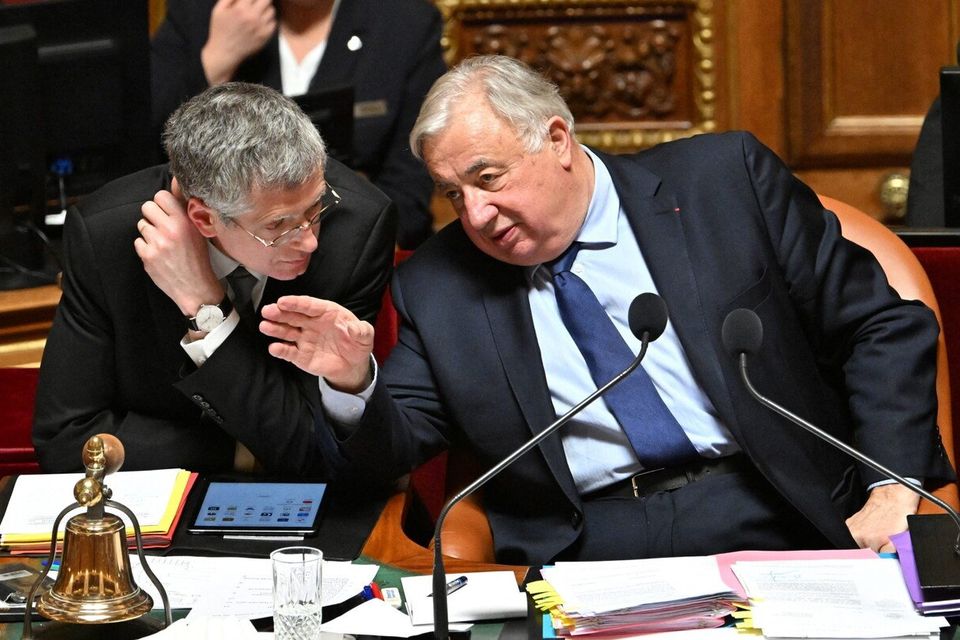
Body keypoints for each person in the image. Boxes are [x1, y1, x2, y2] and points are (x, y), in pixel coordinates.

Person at [260, 56, 956, 565]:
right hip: (587, 540)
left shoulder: (723, 185)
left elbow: (879, 325)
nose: (475, 213)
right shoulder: (440, 283)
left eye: (488, 178)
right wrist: (353, 381)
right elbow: (399, 443)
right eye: (452, 194)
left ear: (557, 140)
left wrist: (893, 483)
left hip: (775, 504)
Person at [32, 82, 396, 475]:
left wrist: (207, 305)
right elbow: (67, 439)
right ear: (204, 219)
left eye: (316, 207)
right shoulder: (106, 234)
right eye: (278, 225)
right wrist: (238, 452)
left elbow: (314, 446)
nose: (308, 240)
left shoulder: (358, 229)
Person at [150, 0, 446, 249]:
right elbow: (150, 150)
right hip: (224, 246)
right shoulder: (202, 11)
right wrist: (216, 60)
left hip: (360, 243)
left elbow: (412, 177)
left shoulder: (404, 20)